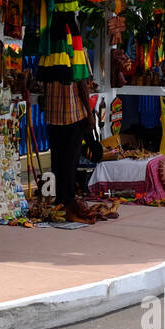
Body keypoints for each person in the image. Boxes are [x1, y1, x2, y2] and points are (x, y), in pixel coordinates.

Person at [44, 79, 96, 223]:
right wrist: (89, 113)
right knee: (70, 159)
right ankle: (68, 199)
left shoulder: (50, 57)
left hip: (53, 114)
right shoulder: (77, 56)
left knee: (58, 159)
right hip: (73, 114)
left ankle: (61, 198)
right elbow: (82, 84)